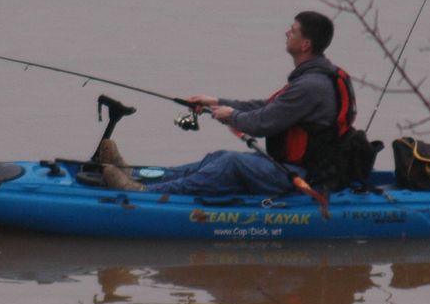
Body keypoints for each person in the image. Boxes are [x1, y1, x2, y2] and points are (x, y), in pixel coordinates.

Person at [99, 11, 358, 196]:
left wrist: (230, 115)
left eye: (293, 29)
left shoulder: (311, 86)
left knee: (231, 163)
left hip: (305, 177)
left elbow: (263, 123)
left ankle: (145, 193)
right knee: (219, 157)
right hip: (298, 168)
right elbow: (266, 106)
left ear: (305, 44)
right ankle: (135, 175)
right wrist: (216, 102)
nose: (286, 32)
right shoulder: (313, 77)